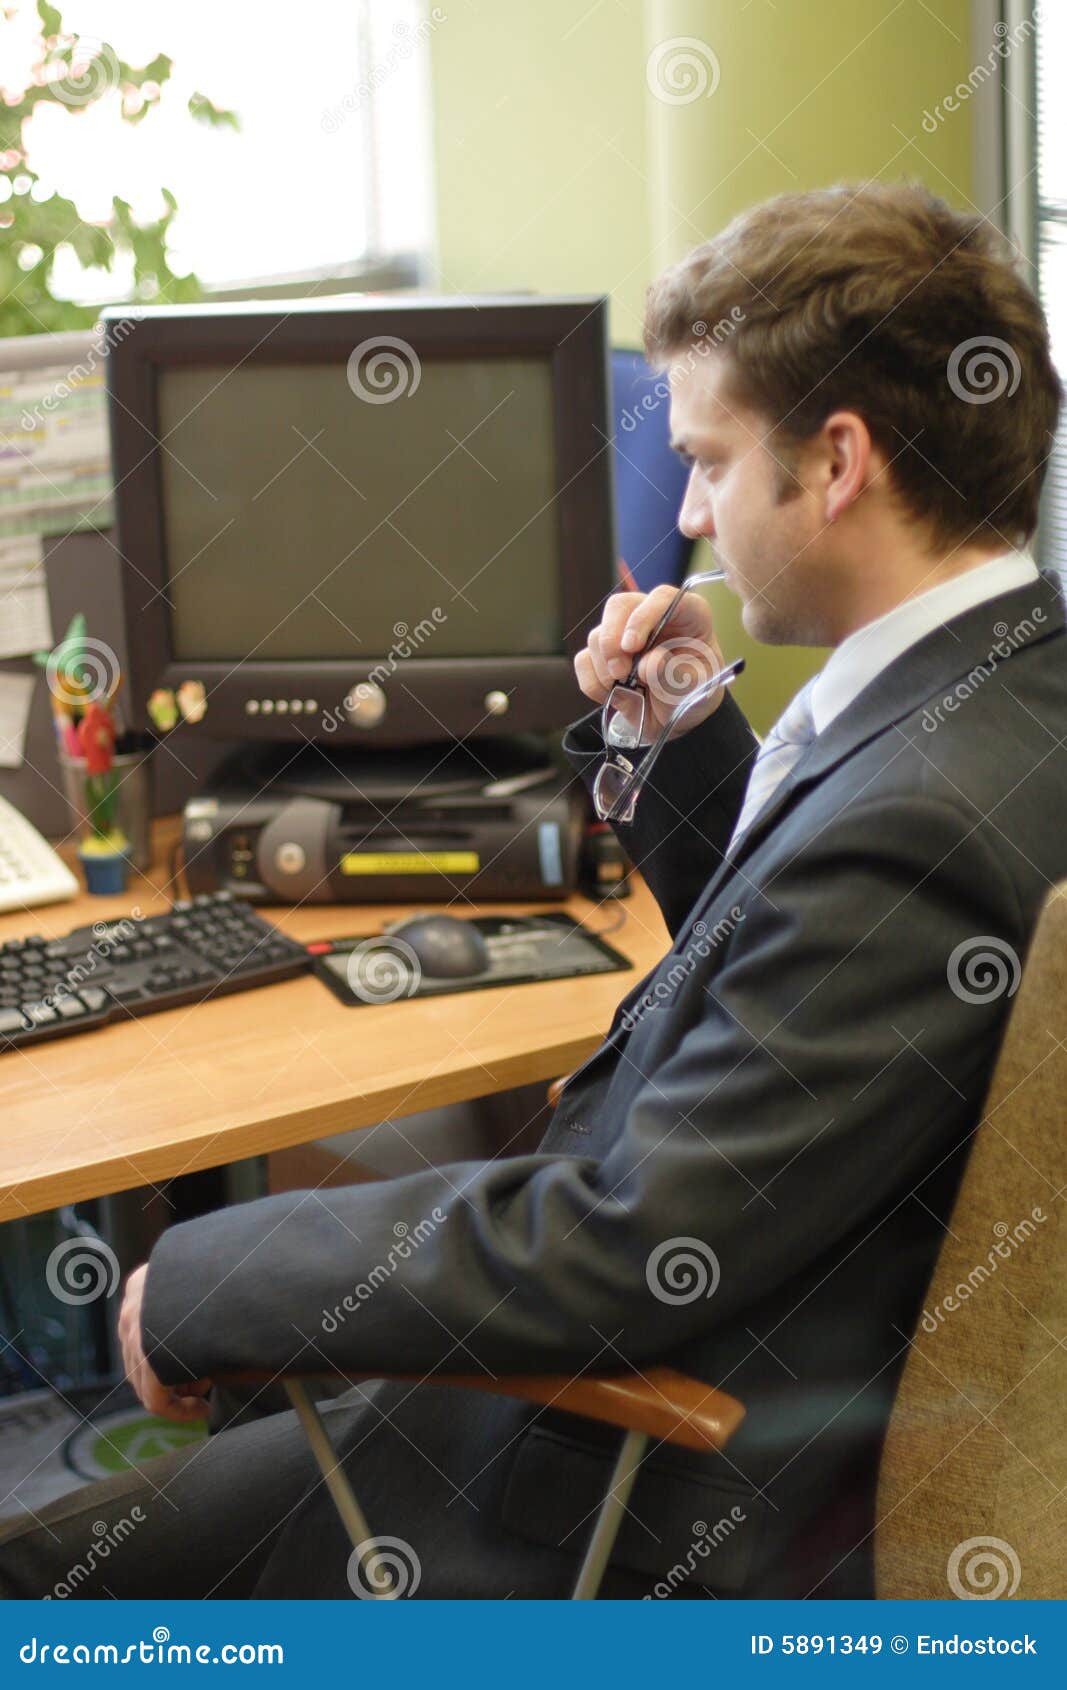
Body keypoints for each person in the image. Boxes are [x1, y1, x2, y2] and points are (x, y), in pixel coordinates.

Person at [1, 181, 1063, 1600]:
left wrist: (206, 1278)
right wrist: (681, 736)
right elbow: (799, 979)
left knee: (38, 1577)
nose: (690, 512)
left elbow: (633, 1241)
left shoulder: (915, 831)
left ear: (837, 463)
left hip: (614, 1496)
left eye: (709, 462)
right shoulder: (1011, 696)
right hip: (659, 1394)